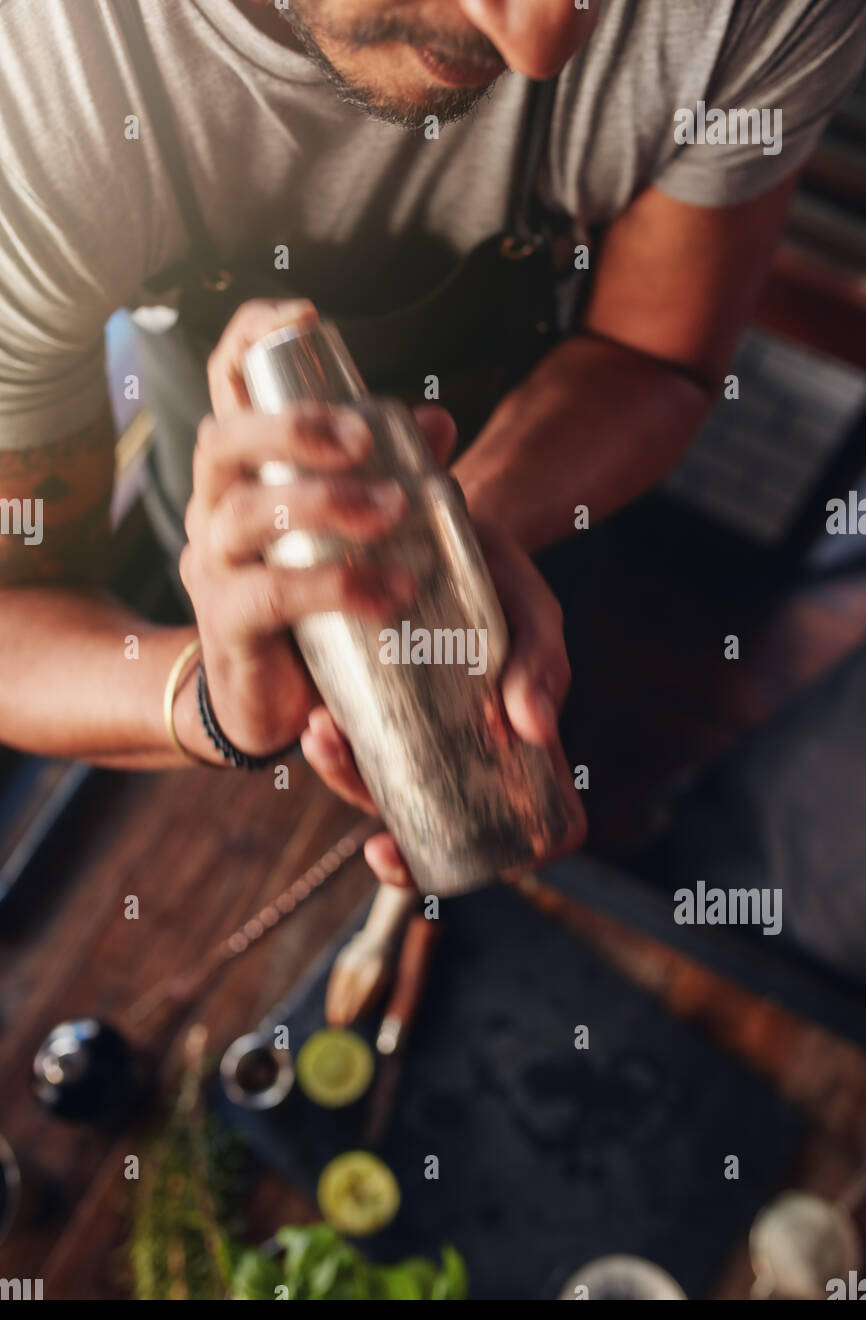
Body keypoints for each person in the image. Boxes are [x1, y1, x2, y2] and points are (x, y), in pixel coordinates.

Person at [1, 0, 865, 885]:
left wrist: (452, 551)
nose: (543, 48)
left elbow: (651, 355)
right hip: (196, 624)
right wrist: (210, 701)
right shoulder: (31, 92)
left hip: (538, 541)